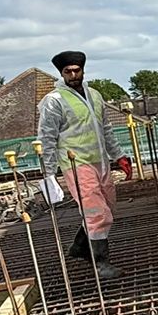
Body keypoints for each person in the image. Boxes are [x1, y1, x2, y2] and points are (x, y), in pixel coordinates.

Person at [37, 50, 128, 270]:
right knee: (96, 212)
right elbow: (46, 138)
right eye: (67, 72)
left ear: (83, 71)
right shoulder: (54, 101)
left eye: (76, 71)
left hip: (100, 161)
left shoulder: (94, 95)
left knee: (107, 207)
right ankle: (101, 264)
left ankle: (79, 246)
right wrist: (49, 174)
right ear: (61, 73)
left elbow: (106, 129)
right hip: (76, 164)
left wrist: (118, 155)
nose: (73, 75)